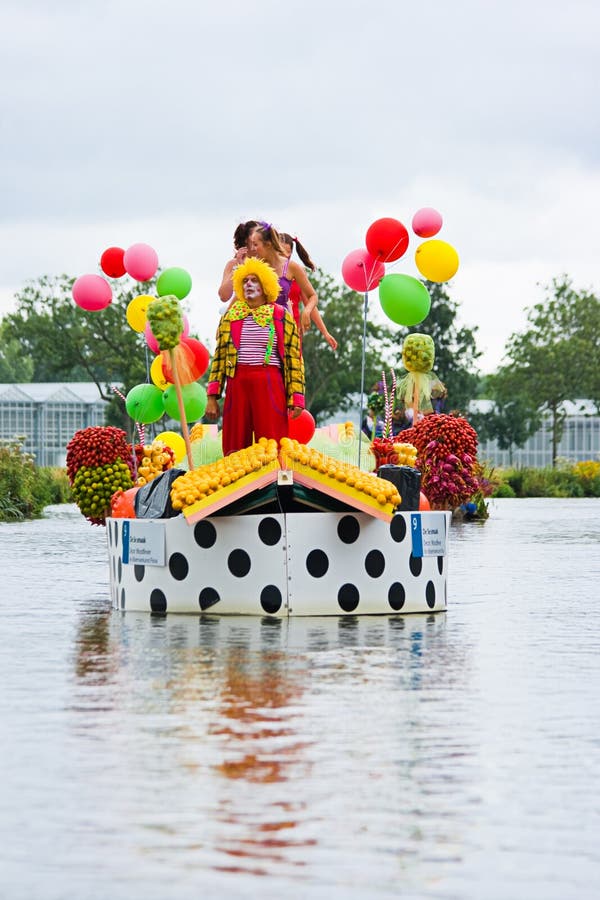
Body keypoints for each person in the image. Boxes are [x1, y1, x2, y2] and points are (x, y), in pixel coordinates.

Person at [205, 257, 305, 455]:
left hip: (270, 381)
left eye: (254, 280)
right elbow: (219, 358)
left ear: (266, 285)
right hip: (237, 381)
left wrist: (297, 397)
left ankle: (274, 483)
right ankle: (236, 482)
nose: (248, 284)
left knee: (273, 441)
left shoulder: (281, 315)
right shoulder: (230, 315)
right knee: (235, 442)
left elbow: (294, 358)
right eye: (244, 280)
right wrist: (212, 396)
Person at [249, 222, 317, 330]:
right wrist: (224, 320)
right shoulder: (254, 266)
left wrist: (307, 311)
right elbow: (239, 297)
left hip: (282, 326)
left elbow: (313, 296)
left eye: (255, 244)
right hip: (258, 328)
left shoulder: (291, 267)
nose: (252, 248)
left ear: (268, 244)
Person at [279, 232, 338, 350]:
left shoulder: (296, 271)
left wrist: (325, 332)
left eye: (287, 254)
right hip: (270, 327)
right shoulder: (267, 270)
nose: (283, 257)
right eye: (280, 252)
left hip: (293, 329)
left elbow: (310, 302)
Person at [218, 220, 259, 303]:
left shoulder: (269, 261)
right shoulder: (233, 263)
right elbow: (223, 296)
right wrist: (238, 267)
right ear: (246, 239)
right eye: (255, 234)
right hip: (242, 313)